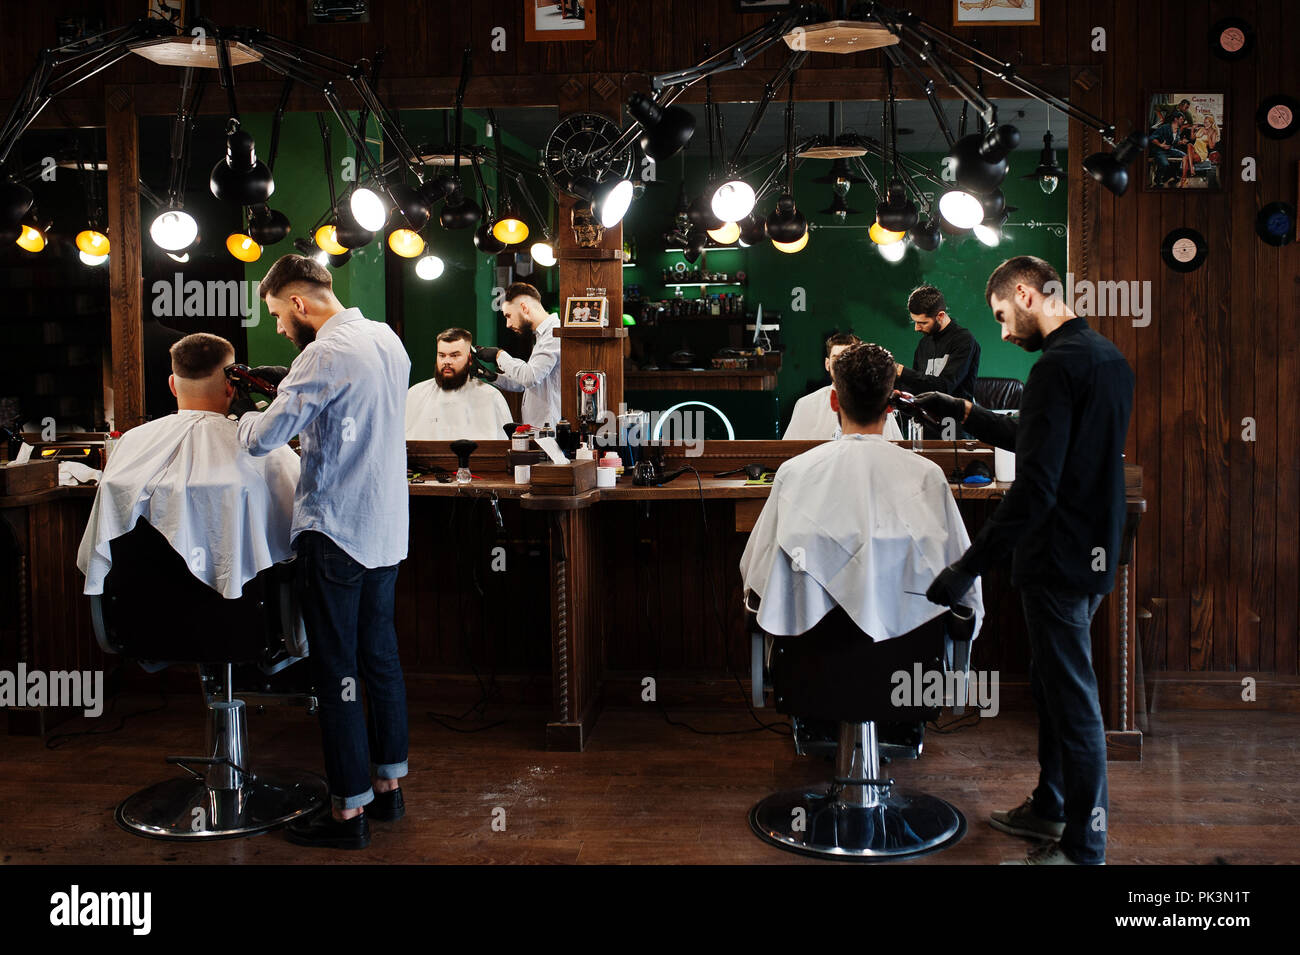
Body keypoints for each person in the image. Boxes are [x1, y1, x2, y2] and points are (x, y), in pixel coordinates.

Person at [912, 255, 1135, 866]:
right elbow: (1044, 440)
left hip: (1058, 559)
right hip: (1093, 553)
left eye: (1003, 316)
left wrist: (966, 568)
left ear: (1025, 294)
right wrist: (963, 412)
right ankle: (1050, 805)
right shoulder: (1105, 358)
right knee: (1052, 684)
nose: (1004, 333)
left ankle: (1085, 846)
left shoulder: (1056, 369)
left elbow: (1035, 487)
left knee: (1073, 700)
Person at [237, 254, 411, 851]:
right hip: (385, 528)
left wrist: (240, 422)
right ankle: (388, 791)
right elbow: (351, 422)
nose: (281, 330)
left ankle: (347, 815)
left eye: (280, 318)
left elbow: (260, 439)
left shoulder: (323, 353)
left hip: (336, 530)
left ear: (298, 303)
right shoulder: (389, 340)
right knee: (380, 661)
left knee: (337, 672)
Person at [742, 342, 983, 642]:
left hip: (811, 672)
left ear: (833, 401)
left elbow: (757, 577)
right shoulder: (928, 477)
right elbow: (964, 590)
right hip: (913, 672)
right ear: (892, 405)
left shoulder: (793, 474)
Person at [78, 332, 299, 600]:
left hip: (141, 622)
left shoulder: (131, 444)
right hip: (243, 625)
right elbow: (299, 530)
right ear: (232, 387)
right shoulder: (263, 447)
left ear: (172, 385)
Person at [895, 286, 981, 438]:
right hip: (926, 425)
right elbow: (918, 386)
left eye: (922, 322)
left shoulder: (964, 340)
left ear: (940, 315)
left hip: (955, 427)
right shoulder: (923, 345)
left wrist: (901, 371)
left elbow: (944, 387)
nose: (916, 328)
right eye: (914, 322)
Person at [784, 332, 903, 440]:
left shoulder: (877, 402)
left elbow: (894, 448)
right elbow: (787, 453)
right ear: (827, 364)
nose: (842, 366)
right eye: (836, 359)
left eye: (847, 359)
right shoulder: (806, 405)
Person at [478, 282, 561, 429]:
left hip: (551, 431)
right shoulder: (542, 336)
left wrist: (499, 355)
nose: (508, 324)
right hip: (540, 428)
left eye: (508, 316)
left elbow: (530, 377)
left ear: (524, 308)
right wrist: (492, 376)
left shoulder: (554, 334)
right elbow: (525, 384)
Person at [405, 327, 513, 441]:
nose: (447, 361)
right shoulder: (415, 395)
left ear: (470, 359)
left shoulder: (491, 396)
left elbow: (507, 448)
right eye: (442, 355)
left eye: (454, 355)